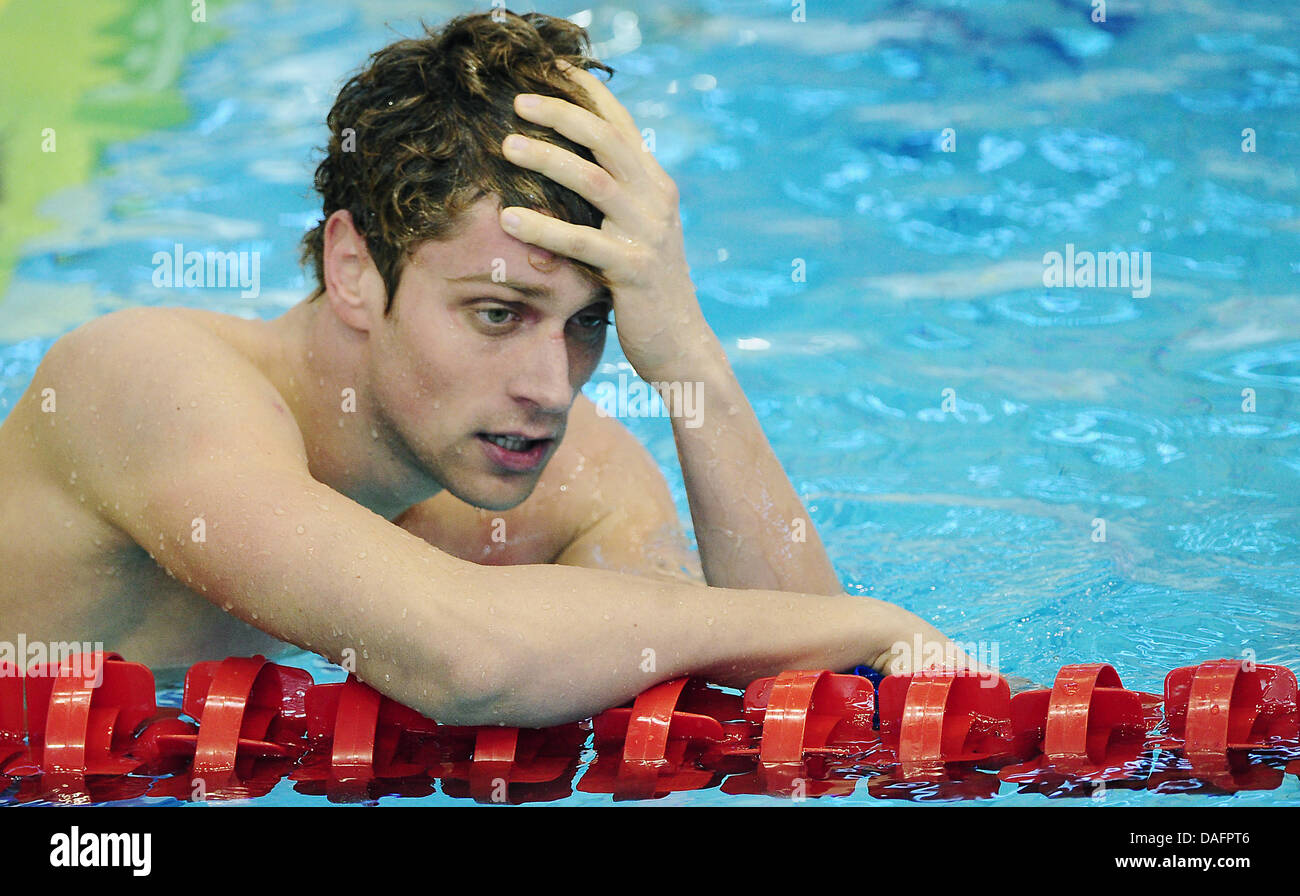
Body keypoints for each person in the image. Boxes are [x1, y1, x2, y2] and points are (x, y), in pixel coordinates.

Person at [0, 11, 984, 727]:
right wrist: (878, 619)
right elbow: (461, 657)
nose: (551, 387)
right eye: (497, 313)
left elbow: (815, 707)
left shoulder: (573, 482)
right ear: (352, 267)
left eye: (588, 324)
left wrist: (687, 352)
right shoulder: (139, 380)